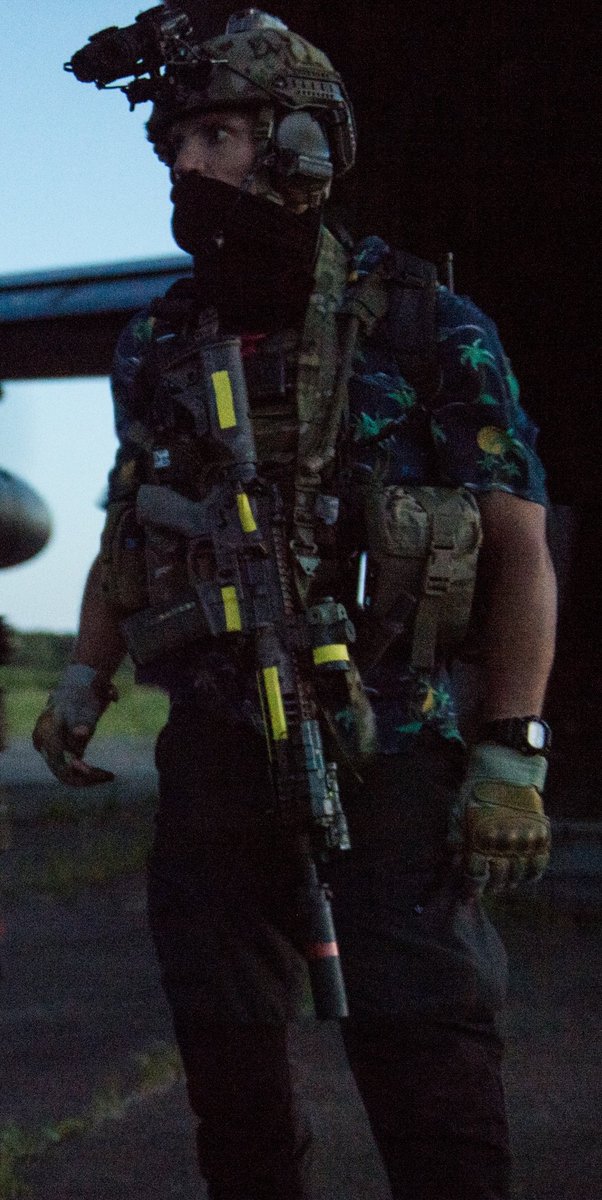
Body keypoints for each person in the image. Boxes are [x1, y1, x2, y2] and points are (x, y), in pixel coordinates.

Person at [34, 9, 557, 1199]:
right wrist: (85, 671)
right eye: (172, 143)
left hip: (391, 742)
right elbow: (131, 523)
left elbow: (519, 544)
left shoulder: (425, 322)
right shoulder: (162, 341)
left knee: (425, 1053)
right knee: (229, 1070)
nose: (185, 165)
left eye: (215, 134)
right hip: (216, 750)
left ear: (302, 146)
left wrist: (509, 749)